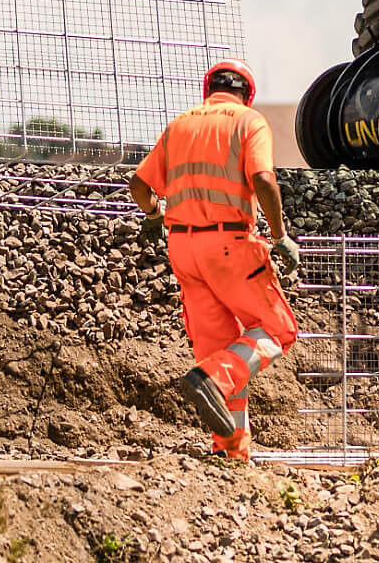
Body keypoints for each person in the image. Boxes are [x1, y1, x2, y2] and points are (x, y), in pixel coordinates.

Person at [127, 57, 301, 463]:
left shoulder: (179, 126)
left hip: (183, 250)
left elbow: (138, 184)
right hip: (229, 245)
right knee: (278, 329)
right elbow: (263, 179)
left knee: (223, 349)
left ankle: (230, 452)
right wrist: (280, 236)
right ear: (247, 94)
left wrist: (153, 216)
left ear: (209, 89)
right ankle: (211, 379)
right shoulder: (248, 122)